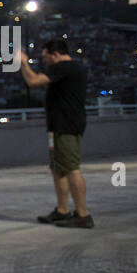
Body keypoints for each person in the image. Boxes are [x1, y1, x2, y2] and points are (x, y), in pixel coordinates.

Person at [16, 38, 92, 228]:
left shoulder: (65, 67)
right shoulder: (72, 68)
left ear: (56, 54)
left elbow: (33, 81)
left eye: (46, 57)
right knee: (58, 168)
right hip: (59, 126)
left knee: (71, 168)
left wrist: (23, 62)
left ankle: (82, 214)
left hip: (66, 125)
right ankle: (62, 210)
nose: (44, 61)